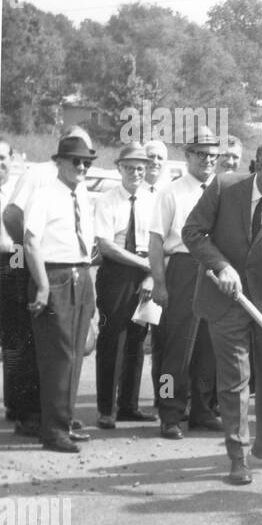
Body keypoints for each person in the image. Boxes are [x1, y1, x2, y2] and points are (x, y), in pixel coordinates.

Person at [183, 139, 262, 485]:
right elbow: (192, 232)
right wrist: (221, 266)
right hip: (226, 303)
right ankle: (238, 456)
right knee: (235, 380)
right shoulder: (225, 187)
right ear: (258, 166)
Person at [1, 126, 94, 437]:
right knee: (45, 353)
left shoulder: (80, 191)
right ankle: (35, 418)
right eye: (75, 160)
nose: (81, 166)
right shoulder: (40, 181)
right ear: (60, 159)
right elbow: (17, 221)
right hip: (48, 273)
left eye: (86, 161)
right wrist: (36, 270)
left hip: (78, 275)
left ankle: (61, 419)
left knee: (72, 355)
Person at [147, 129, 221, 439]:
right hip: (183, 268)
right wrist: (160, 284)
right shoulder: (171, 192)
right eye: (201, 154)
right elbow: (155, 240)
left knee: (209, 347)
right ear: (188, 155)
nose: (207, 160)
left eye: (212, 155)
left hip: (215, 271)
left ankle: (203, 411)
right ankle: (170, 414)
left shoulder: (223, 191)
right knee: (176, 348)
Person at [92, 142, 157, 428]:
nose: (135, 173)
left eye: (140, 168)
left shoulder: (153, 200)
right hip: (116, 275)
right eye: (129, 168)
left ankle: (129, 406)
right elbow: (105, 246)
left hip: (144, 274)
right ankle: (106, 409)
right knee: (111, 342)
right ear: (119, 168)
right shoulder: (107, 200)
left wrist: (151, 275)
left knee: (136, 340)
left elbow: (159, 243)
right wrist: (143, 265)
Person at [0, 139, 39, 435]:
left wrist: (18, 263)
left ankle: (15, 404)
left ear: (11, 159)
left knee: (14, 335)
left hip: (12, 259)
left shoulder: (16, 190)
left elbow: (19, 234)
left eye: (2, 158)